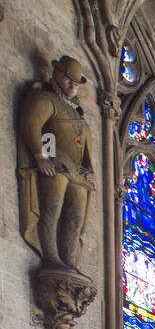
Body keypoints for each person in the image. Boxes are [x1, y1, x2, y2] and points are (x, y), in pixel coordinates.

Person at [18, 56, 97, 273]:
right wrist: (39, 155)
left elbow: (84, 148)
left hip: (77, 174)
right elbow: (31, 124)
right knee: (52, 207)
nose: (73, 86)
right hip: (54, 163)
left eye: (76, 83)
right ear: (57, 75)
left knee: (75, 215)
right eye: (69, 80)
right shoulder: (45, 99)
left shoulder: (76, 112)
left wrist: (90, 172)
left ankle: (69, 261)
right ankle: (52, 256)